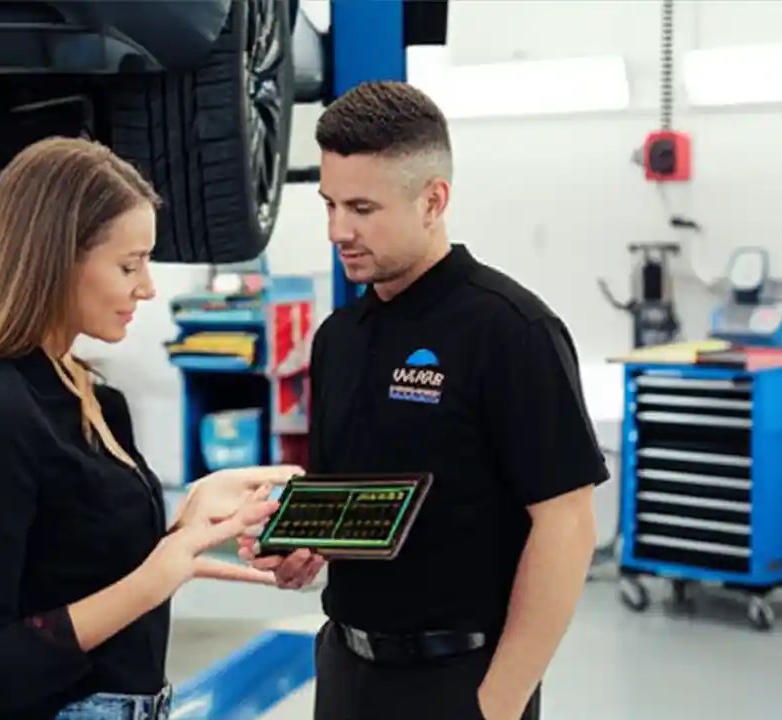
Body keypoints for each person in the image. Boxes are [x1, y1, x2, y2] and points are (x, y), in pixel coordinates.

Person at [0, 137, 300, 720]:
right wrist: (160, 576)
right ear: (55, 260)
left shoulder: (93, 397)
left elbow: (87, 571)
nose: (147, 287)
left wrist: (190, 515)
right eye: (129, 265)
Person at [239, 81, 609, 720]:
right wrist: (302, 548)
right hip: (346, 669)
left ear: (433, 200)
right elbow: (341, 497)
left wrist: (497, 702)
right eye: (329, 204)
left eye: (362, 208)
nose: (338, 230)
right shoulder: (338, 339)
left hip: (460, 680)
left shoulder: (511, 330)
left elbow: (567, 526)